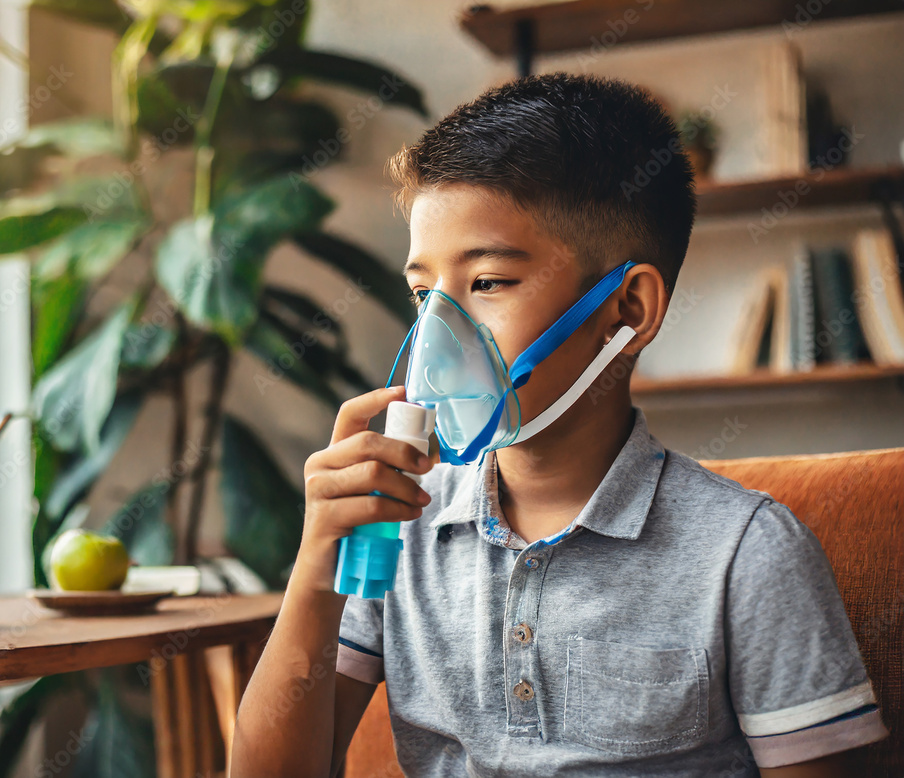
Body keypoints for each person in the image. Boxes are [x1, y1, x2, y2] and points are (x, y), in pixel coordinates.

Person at [230, 72, 889, 777]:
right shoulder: (402, 527)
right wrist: (316, 567)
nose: (436, 336)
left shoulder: (747, 555)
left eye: (487, 283)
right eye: (424, 294)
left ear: (628, 311)